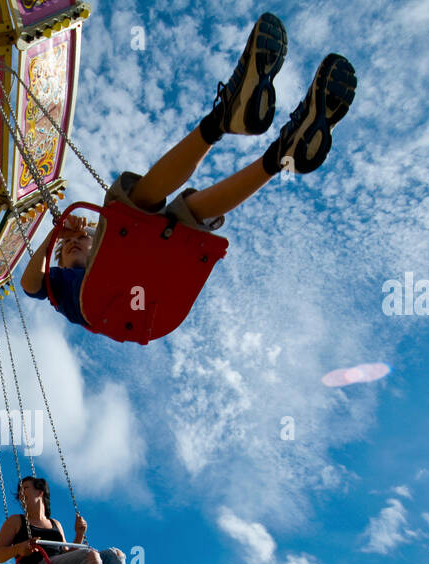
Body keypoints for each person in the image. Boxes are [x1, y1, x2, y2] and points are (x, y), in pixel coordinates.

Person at [20, 13, 356, 332]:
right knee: (125, 205)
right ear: (60, 261)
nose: (76, 243)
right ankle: (222, 118)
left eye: (80, 240)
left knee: (181, 216)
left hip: (147, 280)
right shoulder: (62, 285)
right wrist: (57, 237)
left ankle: (280, 156)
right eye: (71, 246)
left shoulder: (105, 258)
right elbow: (29, 282)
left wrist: (69, 233)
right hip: (127, 304)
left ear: (95, 247)